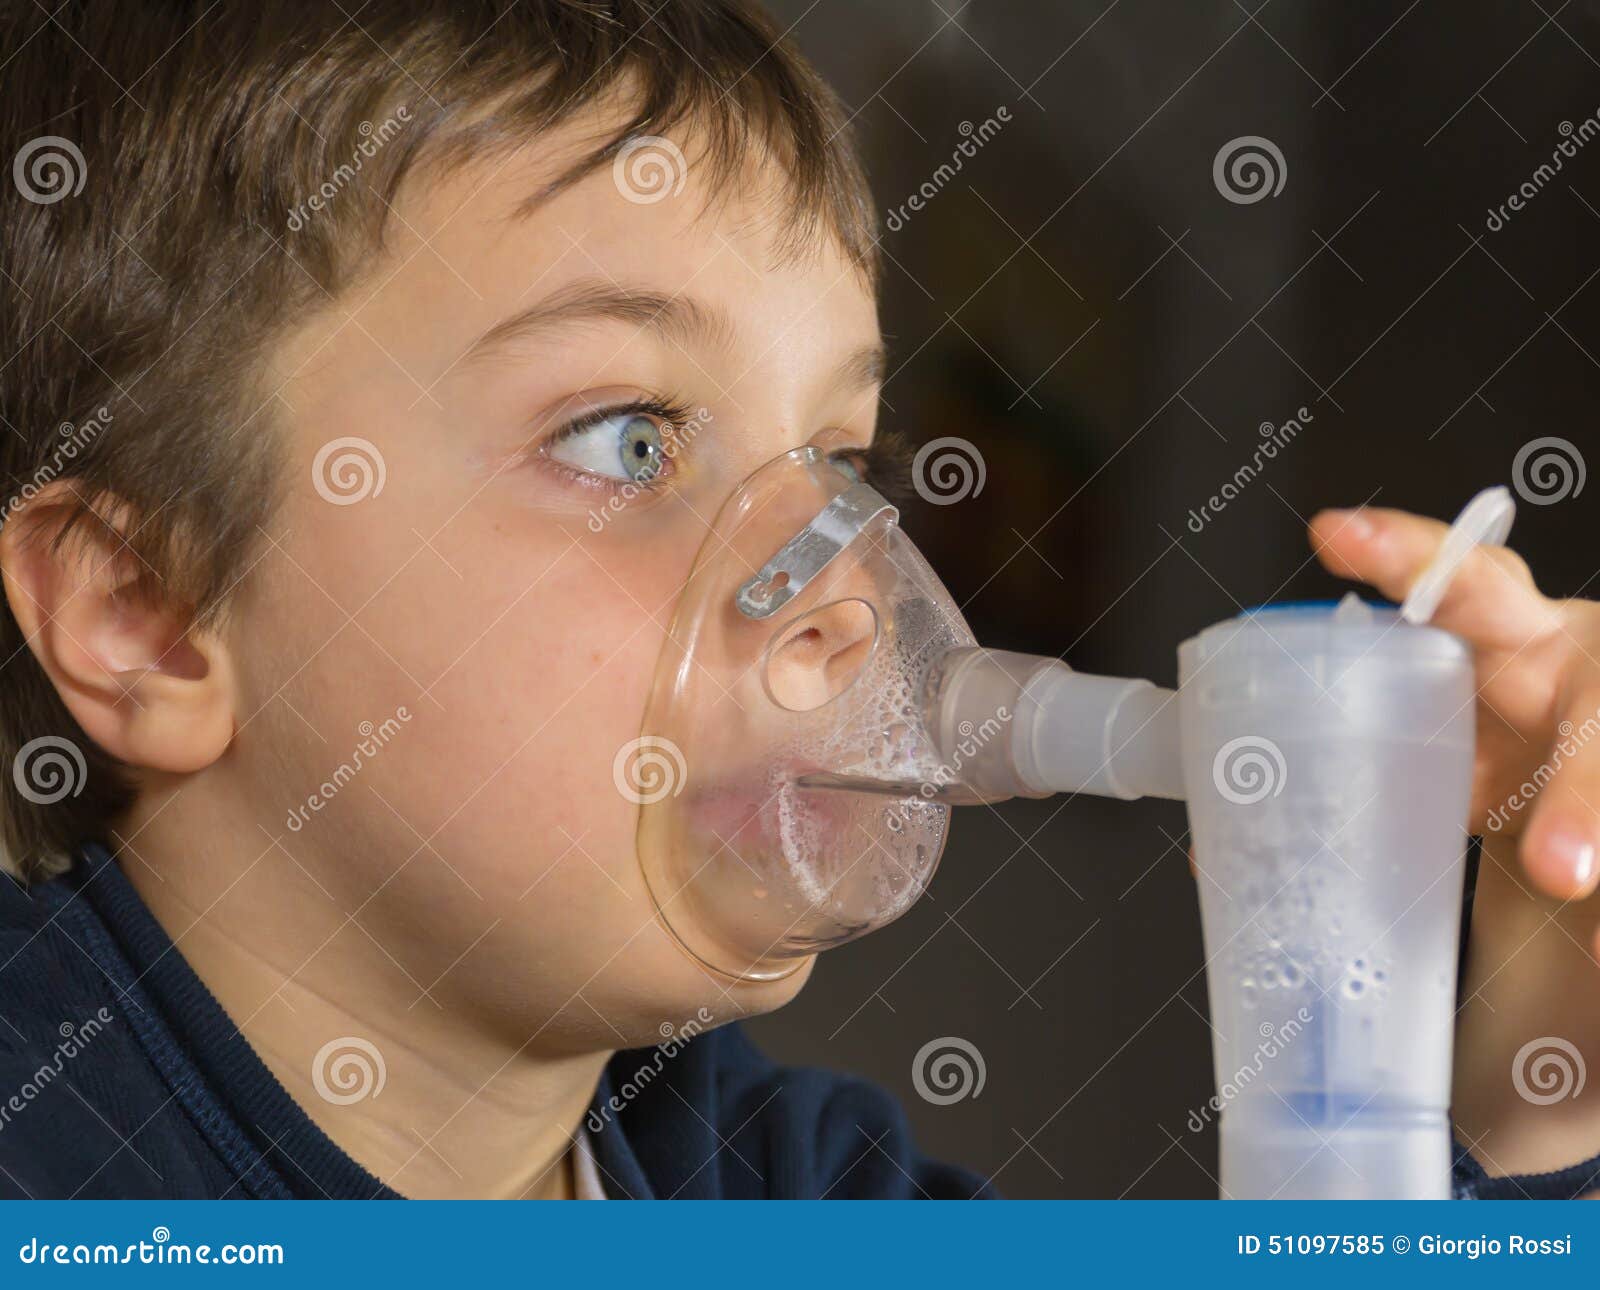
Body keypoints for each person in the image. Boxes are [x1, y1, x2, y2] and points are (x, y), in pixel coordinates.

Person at [0, 0, 1592, 1200]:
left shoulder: (796, 1184)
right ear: (148, 612)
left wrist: (1542, 1057)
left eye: (841, 459)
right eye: (628, 439)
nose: (843, 587)